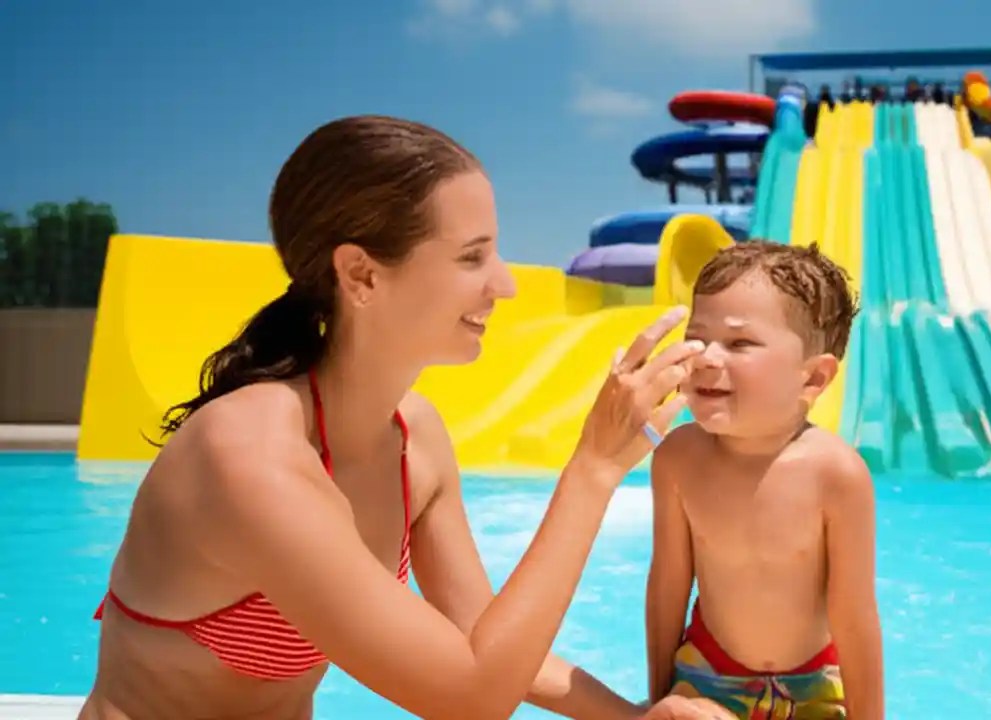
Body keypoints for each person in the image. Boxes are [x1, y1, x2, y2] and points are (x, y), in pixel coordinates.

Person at [77, 115, 728, 720]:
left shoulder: (415, 440)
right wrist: (594, 468)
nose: (505, 284)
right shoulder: (252, 460)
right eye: (472, 256)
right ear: (361, 275)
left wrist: (636, 717)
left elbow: (484, 639)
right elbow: (471, 697)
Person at [644, 242, 884, 719]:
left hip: (815, 685)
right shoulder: (678, 459)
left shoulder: (835, 474)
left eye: (739, 343)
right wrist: (659, 699)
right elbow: (667, 587)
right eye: (698, 337)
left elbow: (855, 618)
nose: (708, 357)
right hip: (707, 675)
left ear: (812, 380)